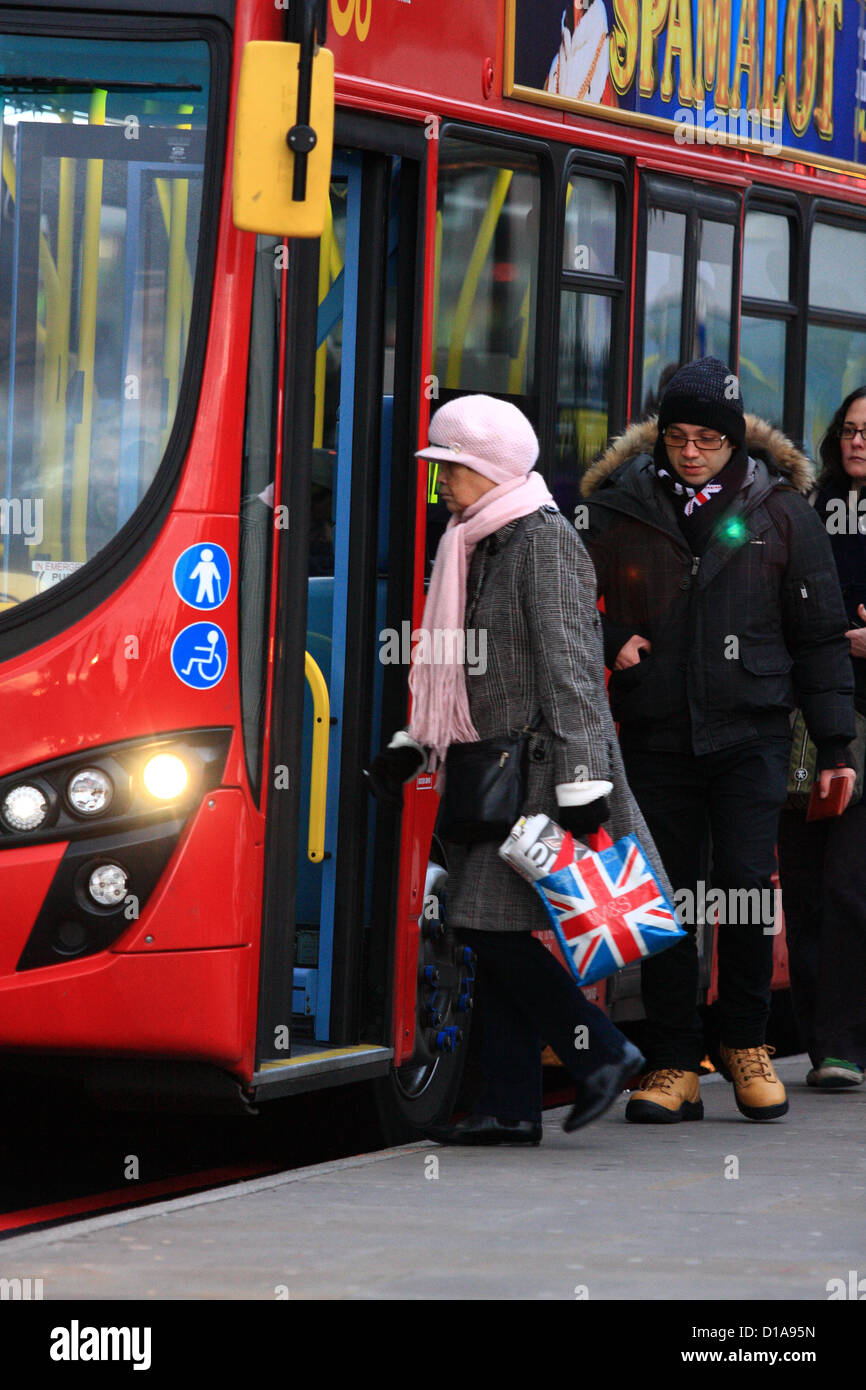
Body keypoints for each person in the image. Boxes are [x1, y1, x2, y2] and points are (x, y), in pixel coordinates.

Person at [367, 393, 670, 1145]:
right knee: (486, 932)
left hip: (536, 775)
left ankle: (599, 1050)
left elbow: (571, 669)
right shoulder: (474, 540)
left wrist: (583, 785)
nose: (441, 483)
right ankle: (511, 1108)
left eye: (453, 468)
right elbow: (454, 666)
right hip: (486, 771)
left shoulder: (543, 541)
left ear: (491, 468)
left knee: (483, 926)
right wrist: (413, 743)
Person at [582, 357, 857, 1124]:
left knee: (738, 887)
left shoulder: (781, 512)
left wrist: (835, 745)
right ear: (660, 438)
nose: (692, 451)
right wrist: (611, 640)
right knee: (666, 897)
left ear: (734, 441)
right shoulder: (618, 506)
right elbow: (569, 599)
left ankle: (743, 1045)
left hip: (752, 734)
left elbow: (820, 635)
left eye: (708, 438)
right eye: (678, 437)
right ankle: (672, 1060)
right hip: (657, 732)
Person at [776, 387, 866, 1088]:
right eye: (849, 430)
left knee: (847, 886)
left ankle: (844, 1044)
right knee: (804, 888)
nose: (856, 442)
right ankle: (818, 1040)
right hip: (806, 725)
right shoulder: (808, 512)